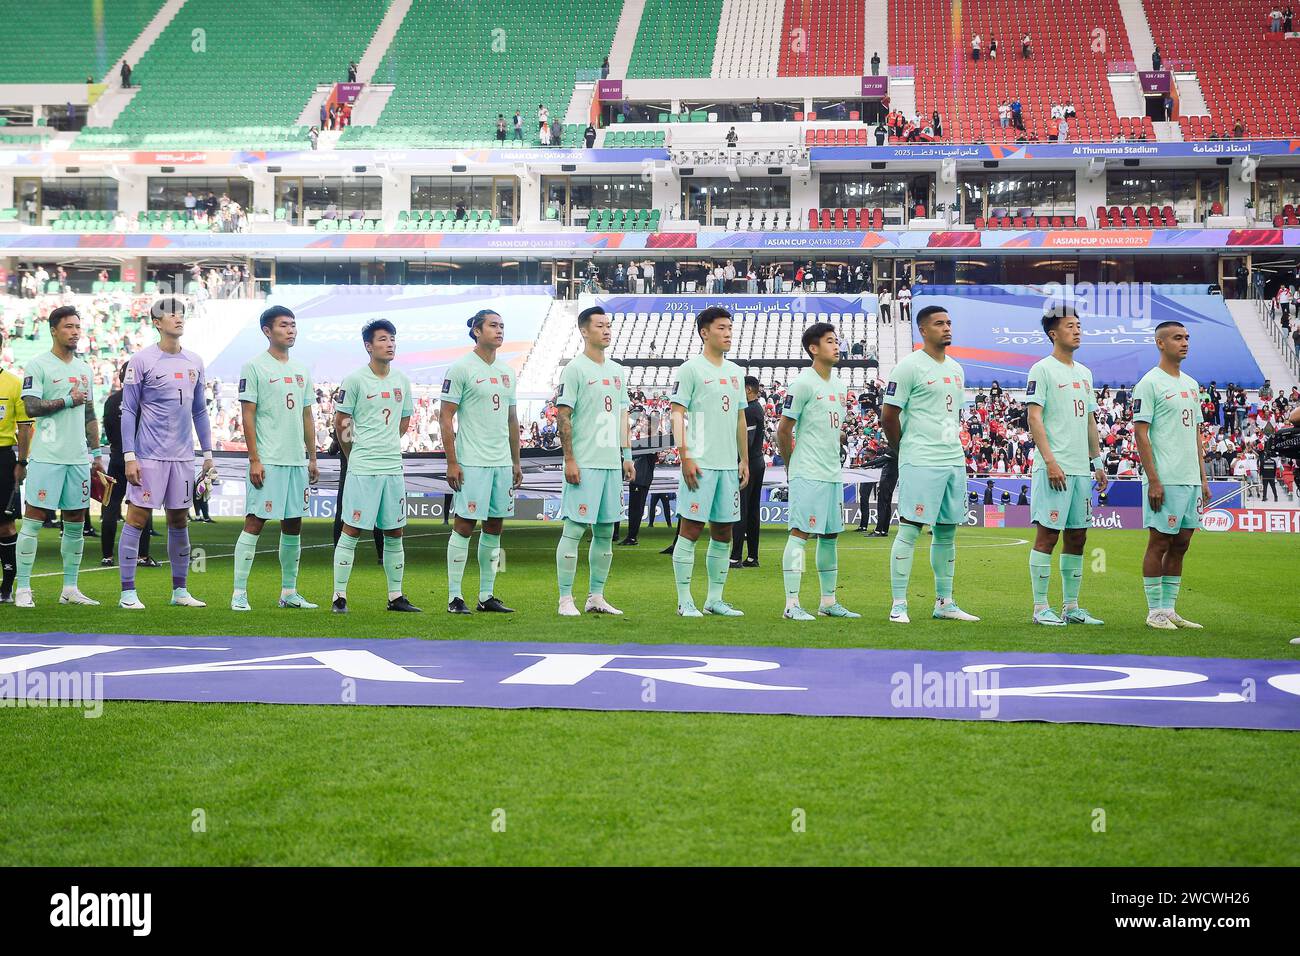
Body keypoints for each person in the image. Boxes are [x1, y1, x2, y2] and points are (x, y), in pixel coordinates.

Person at [881, 305, 980, 624]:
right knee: (910, 528)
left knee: (947, 532)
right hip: (920, 458)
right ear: (923, 330)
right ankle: (899, 603)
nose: (947, 327)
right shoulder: (908, 367)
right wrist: (904, 449)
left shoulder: (956, 369)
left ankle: (944, 602)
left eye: (949, 322)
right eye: (939, 323)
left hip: (952, 458)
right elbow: (888, 416)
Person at [117, 297, 213, 610]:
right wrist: (130, 456)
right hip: (148, 456)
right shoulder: (141, 361)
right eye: (171, 314)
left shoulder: (195, 361)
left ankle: (180, 591)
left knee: (179, 521)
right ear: (157, 323)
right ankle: (128, 592)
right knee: (137, 517)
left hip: (184, 458)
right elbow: (129, 410)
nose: (178, 318)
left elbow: (199, 410)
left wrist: (208, 452)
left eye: (181, 313)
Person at [230, 306, 320, 611]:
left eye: (293, 325)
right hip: (268, 460)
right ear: (268, 331)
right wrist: (255, 459)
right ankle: (239, 593)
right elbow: (248, 414)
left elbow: (307, 415)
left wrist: (312, 457)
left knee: (294, 524)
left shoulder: (301, 370)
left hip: (296, 461)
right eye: (284, 325)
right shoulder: (254, 367)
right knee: (255, 522)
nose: (291, 330)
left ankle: (288, 592)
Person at [1024, 306, 1109, 626]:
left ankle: (1071, 607)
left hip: (1080, 469)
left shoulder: (1085, 374)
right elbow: (1034, 417)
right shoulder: (1041, 370)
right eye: (1070, 326)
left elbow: (1090, 421)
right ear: (1053, 334)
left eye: (1079, 325)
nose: (1077, 330)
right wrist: (1050, 461)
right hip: (1053, 467)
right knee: (1048, 536)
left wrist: (1097, 462)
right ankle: (1040, 607)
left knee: (1078, 537)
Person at [12, 306, 103, 608]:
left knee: (75, 520)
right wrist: (67, 399)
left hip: (77, 459)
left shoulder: (85, 369)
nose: (75, 332)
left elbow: (89, 412)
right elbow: (31, 408)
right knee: (34, 519)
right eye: (68, 327)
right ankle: (23, 588)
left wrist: (97, 453)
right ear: (53, 329)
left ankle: (70, 588)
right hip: (47, 457)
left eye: (78, 326)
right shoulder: (38, 365)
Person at [329, 320, 418, 613]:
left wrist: (386, 442)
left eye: (392, 338)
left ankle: (396, 596)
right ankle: (339, 596)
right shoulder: (355, 380)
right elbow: (341, 423)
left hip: (392, 466)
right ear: (369, 346)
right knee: (352, 528)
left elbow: (403, 423)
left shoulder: (402, 381)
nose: (390, 343)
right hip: (363, 467)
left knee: (395, 531)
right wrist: (354, 453)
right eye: (383, 339)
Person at [668, 307, 749, 617]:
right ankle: (684, 600)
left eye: (730, 328)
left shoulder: (736, 372)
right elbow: (677, 413)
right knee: (689, 530)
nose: (728, 333)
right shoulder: (690, 369)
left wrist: (743, 459)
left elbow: (741, 418)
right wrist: (685, 455)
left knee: (724, 533)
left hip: (728, 466)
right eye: (722, 328)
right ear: (705, 332)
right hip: (700, 463)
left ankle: (714, 599)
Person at [441, 310, 522, 614]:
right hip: (472, 461)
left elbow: (512, 419)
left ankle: (487, 595)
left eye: (502, 325)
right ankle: (454, 596)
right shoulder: (461, 368)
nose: (499, 330)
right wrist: (452, 461)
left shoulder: (507, 371)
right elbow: (445, 416)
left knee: (495, 527)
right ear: (476, 331)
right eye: (493, 325)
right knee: (463, 525)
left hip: (501, 462)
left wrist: (516, 462)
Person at [554, 307, 634, 616]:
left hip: (611, 465)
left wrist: (626, 456)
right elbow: (564, 415)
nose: (606, 330)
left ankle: (596, 597)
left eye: (608, 325)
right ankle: (564, 600)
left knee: (605, 533)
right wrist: (570, 459)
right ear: (584, 331)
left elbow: (623, 417)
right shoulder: (575, 369)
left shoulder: (617, 371)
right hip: (584, 463)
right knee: (574, 530)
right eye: (600, 325)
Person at [777, 325, 860, 620]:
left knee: (830, 535)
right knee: (801, 534)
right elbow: (783, 431)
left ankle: (828, 601)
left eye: (836, 341)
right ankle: (791, 604)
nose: (836, 346)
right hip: (808, 471)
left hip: (831, 472)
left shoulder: (839, 385)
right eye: (829, 342)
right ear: (814, 348)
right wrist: (791, 465)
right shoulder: (802, 384)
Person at [1132, 321, 1210, 630]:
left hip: (1190, 478)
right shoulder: (1150, 383)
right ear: (1160, 344)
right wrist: (1153, 479)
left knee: (1182, 543)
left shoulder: (1191, 384)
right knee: (1160, 541)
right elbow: (1140, 433)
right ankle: (1154, 613)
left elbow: (1196, 436)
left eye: (1187, 337)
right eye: (1178, 338)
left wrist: (1203, 479)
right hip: (1165, 477)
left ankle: (1169, 609)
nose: (1185, 342)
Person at [99, 363, 156, 569]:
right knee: (143, 504)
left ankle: (107, 555)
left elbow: (108, 430)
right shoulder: (144, 401)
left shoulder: (112, 401)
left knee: (111, 507)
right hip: (138, 459)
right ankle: (141, 556)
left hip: (116, 457)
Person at [0, 335, 33, 602]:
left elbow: (24, 428)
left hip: (3, 457)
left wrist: (21, 462)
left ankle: (7, 585)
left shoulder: (13, 383)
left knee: (5, 524)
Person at [730, 377, 765, 568]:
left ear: (748, 389)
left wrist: (740, 461)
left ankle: (735, 556)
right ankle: (752, 556)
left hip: (749, 463)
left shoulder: (749, 410)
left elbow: (747, 440)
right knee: (752, 510)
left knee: (741, 509)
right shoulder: (757, 408)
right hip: (757, 462)